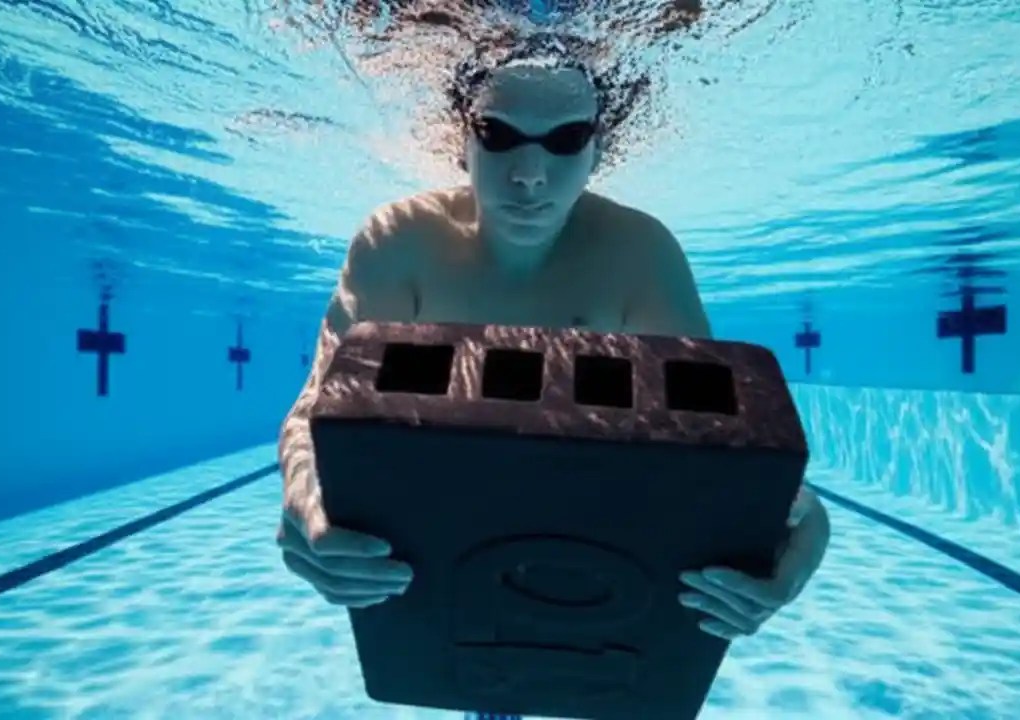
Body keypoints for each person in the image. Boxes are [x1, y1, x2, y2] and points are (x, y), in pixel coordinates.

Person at [275, 43, 832, 718]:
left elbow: (711, 446)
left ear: (598, 150)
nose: (530, 176)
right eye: (498, 135)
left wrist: (800, 525)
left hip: (579, 542)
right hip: (436, 536)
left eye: (565, 141)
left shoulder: (639, 254)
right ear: (463, 140)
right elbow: (312, 412)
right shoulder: (397, 241)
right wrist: (306, 501)